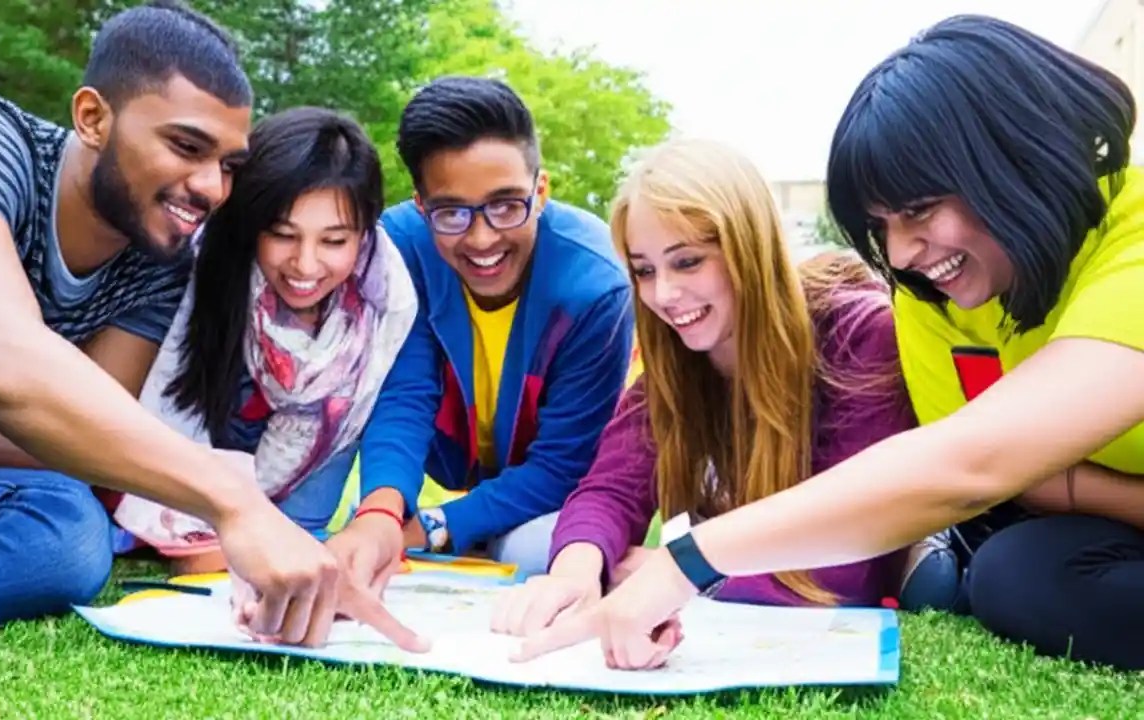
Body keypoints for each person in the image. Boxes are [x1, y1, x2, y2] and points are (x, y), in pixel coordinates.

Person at [511, 14, 1144, 672]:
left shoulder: (1130, 245)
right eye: (881, 225)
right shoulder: (936, 294)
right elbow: (986, 478)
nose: (899, 253)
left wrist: (686, 563)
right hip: (1084, 539)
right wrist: (580, 565)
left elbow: (969, 466)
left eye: (921, 210)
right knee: (1016, 576)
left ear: (1011, 156)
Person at [0, 0, 423, 651]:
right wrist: (231, 498)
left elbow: (62, 433)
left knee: (66, 532)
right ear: (93, 117)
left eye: (228, 164)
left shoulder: (158, 264)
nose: (211, 186)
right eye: (185, 147)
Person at [490, 138, 925, 641]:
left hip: (895, 589)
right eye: (645, 271)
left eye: (688, 261)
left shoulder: (860, 338)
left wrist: (675, 575)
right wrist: (575, 573)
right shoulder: (677, 364)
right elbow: (610, 488)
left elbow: (847, 568)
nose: (664, 295)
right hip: (736, 593)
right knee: (534, 544)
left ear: (748, 246)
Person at [326, 76, 636, 588]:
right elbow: (405, 395)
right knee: (373, 526)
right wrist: (381, 517)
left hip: (548, 495)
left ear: (541, 190)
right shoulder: (399, 249)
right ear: (422, 207)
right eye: (451, 213)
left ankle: (470, 535)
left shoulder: (595, 286)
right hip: (451, 460)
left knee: (533, 551)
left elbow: (563, 464)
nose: (482, 237)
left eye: (507, 205)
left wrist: (435, 526)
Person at [114, 107, 416, 578]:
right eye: (281, 235)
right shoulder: (193, 273)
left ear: (364, 236)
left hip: (301, 500)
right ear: (251, 223)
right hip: (169, 494)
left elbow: (305, 525)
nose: (305, 265)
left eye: (334, 241)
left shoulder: (386, 301)